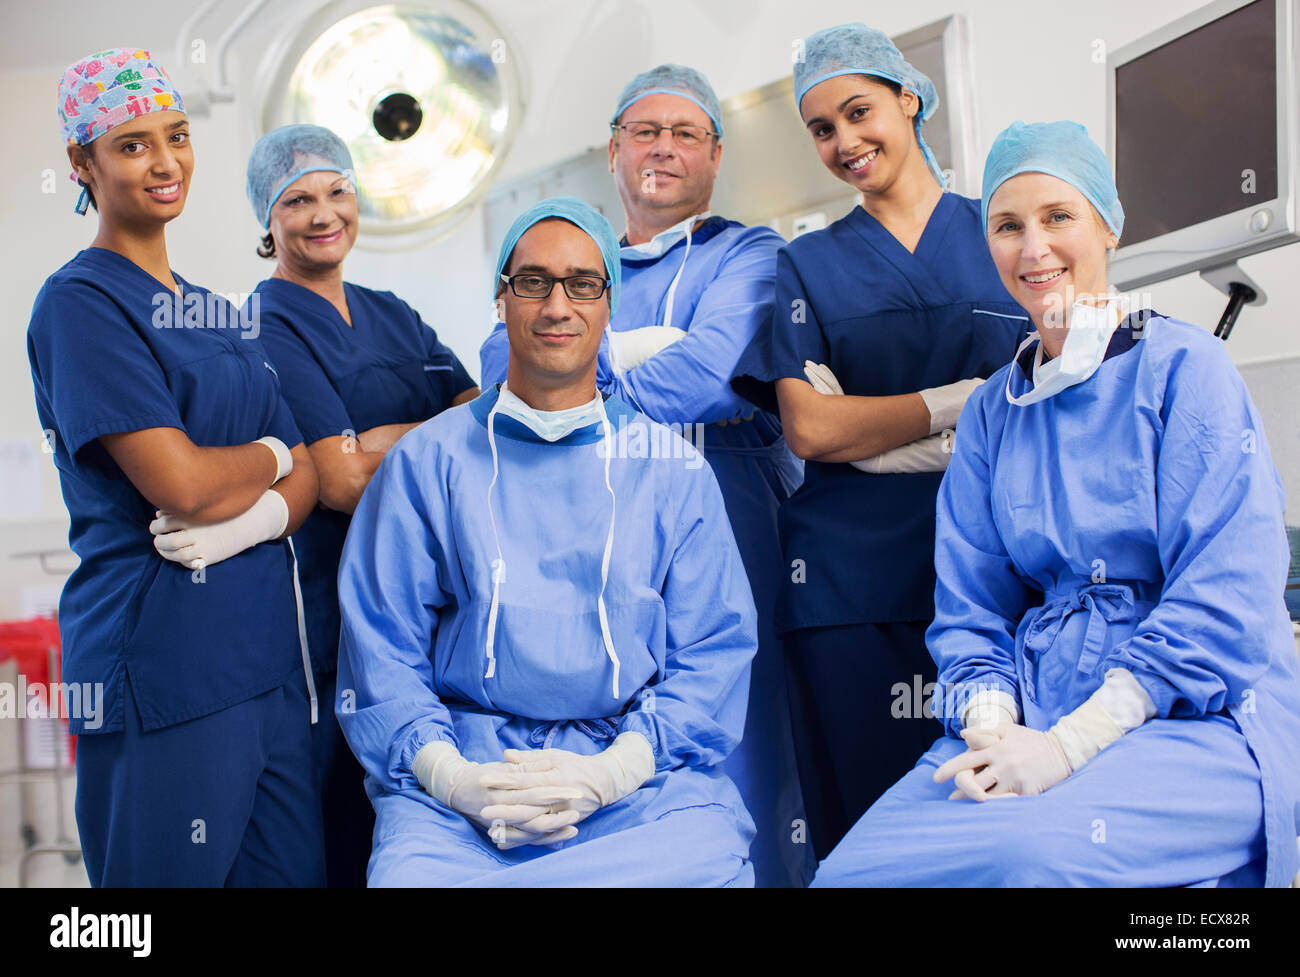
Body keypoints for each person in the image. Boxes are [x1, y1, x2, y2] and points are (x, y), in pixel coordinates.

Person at [814, 121, 1300, 888]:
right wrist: (992, 729)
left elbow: (1227, 599)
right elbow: (971, 609)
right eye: (1008, 226)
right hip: (1035, 703)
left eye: (1057, 217)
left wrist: (1070, 746)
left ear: (1107, 223)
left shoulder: (1186, 371)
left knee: (1030, 860)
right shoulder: (992, 414)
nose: (1033, 248)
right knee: (853, 874)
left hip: (1195, 711)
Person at [336, 197, 757, 886]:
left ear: (608, 304)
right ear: (501, 300)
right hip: (467, 782)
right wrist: (450, 775)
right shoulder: (429, 462)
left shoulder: (673, 470)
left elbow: (711, 654)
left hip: (638, 785)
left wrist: (613, 770)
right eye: (532, 282)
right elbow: (383, 648)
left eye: (581, 283)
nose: (557, 305)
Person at [480, 64, 811, 888]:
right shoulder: (571, 256)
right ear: (614, 149)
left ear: (716, 155)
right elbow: (498, 366)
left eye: (686, 133)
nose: (663, 147)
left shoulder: (751, 254)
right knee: (609, 754)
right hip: (589, 532)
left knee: (743, 740)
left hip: (734, 518)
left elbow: (710, 372)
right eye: (645, 131)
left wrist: (573, 364)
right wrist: (642, 353)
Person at [732, 23, 1030, 861]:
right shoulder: (808, 265)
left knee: (1001, 832)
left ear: (909, 98)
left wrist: (874, 433)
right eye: (821, 129)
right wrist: (962, 405)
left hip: (1003, 581)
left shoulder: (1006, 230)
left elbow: (1044, 405)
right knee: (870, 843)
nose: (844, 141)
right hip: (847, 591)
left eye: (858, 111)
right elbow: (811, 428)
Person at [28, 48, 324, 886]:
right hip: (163, 670)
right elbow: (182, 485)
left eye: (178, 136)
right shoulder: (80, 304)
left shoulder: (215, 310)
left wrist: (262, 510)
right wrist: (269, 457)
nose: (165, 162)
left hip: (264, 672)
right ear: (82, 163)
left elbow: (305, 476)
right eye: (130, 144)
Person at [244, 124, 479, 887]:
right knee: (343, 800)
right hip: (332, 601)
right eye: (298, 199)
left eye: (337, 191)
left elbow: (484, 418)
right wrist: (426, 437)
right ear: (267, 220)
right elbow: (338, 480)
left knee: (428, 795)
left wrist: (376, 438)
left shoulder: (393, 311)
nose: (323, 213)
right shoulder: (266, 321)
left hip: (433, 596)